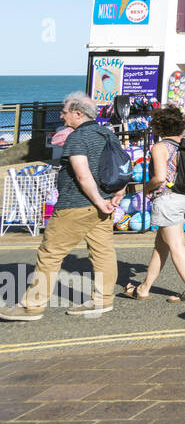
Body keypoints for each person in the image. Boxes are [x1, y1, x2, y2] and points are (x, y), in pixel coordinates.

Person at [1, 93, 124, 320]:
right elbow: (121, 167)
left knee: (50, 253)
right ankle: (103, 300)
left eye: (64, 111)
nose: (61, 115)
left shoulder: (77, 137)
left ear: (78, 114)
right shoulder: (108, 134)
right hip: (104, 204)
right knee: (103, 253)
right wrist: (117, 194)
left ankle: (31, 307)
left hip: (75, 205)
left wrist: (96, 200)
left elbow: (82, 174)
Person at [121, 106, 185, 302]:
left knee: (175, 246)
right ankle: (144, 288)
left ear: (158, 127)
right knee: (161, 246)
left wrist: (146, 190)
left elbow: (159, 177)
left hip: (168, 200)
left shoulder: (160, 147)